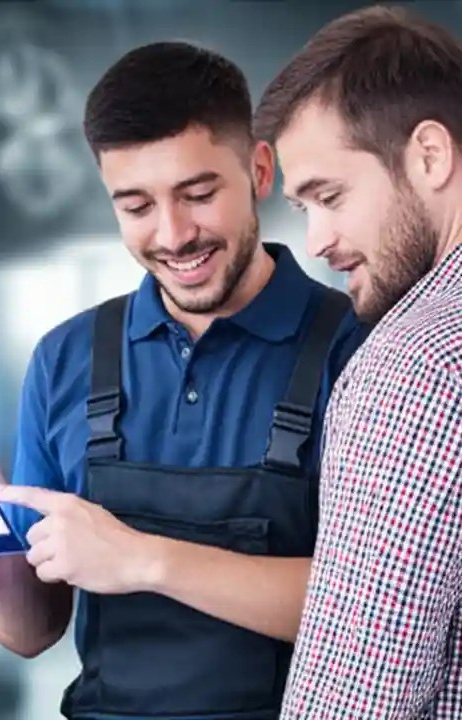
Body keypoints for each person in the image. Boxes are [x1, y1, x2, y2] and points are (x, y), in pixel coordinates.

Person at [0, 41, 368, 719]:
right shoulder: (65, 358)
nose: (173, 234)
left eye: (198, 194)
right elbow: (33, 631)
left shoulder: (358, 349)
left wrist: (140, 559)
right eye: (135, 206)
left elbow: (376, 611)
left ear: (258, 170)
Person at [253, 6, 462, 717]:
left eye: (330, 197)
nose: (315, 240)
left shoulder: (416, 366)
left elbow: (357, 696)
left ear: (429, 155)